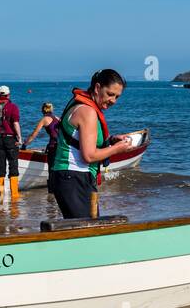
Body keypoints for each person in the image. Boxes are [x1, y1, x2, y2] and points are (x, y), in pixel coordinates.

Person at [48, 69, 133, 220]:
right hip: (73, 177)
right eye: (110, 94)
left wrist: (111, 140)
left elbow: (79, 139)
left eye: (117, 97)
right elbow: (89, 155)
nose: (113, 100)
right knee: (86, 231)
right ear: (97, 87)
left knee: (84, 230)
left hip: (69, 177)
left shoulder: (80, 105)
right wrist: (117, 149)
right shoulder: (87, 111)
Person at [0, 86, 23, 199]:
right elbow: (15, 123)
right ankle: (14, 195)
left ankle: (2, 194)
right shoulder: (13, 107)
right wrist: (20, 138)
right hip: (10, 139)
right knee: (13, 165)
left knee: (0, 166)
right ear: (8, 95)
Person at [23, 101, 61, 195]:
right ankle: (59, 192)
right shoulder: (57, 118)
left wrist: (25, 144)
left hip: (53, 146)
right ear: (51, 109)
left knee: (51, 170)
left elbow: (34, 134)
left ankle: (51, 195)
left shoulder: (44, 119)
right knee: (58, 169)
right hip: (61, 146)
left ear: (42, 110)